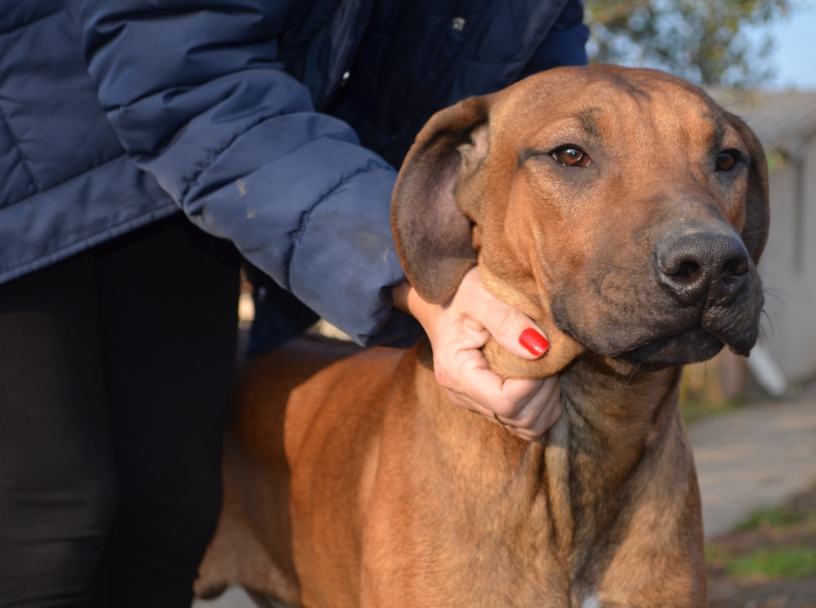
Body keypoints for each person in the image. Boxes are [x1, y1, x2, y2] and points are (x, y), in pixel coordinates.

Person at [0, 1, 588, 606]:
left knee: (168, 515)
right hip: (29, 139)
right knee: (51, 519)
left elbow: (538, 76)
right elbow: (182, 64)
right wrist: (414, 272)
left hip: (181, 177)